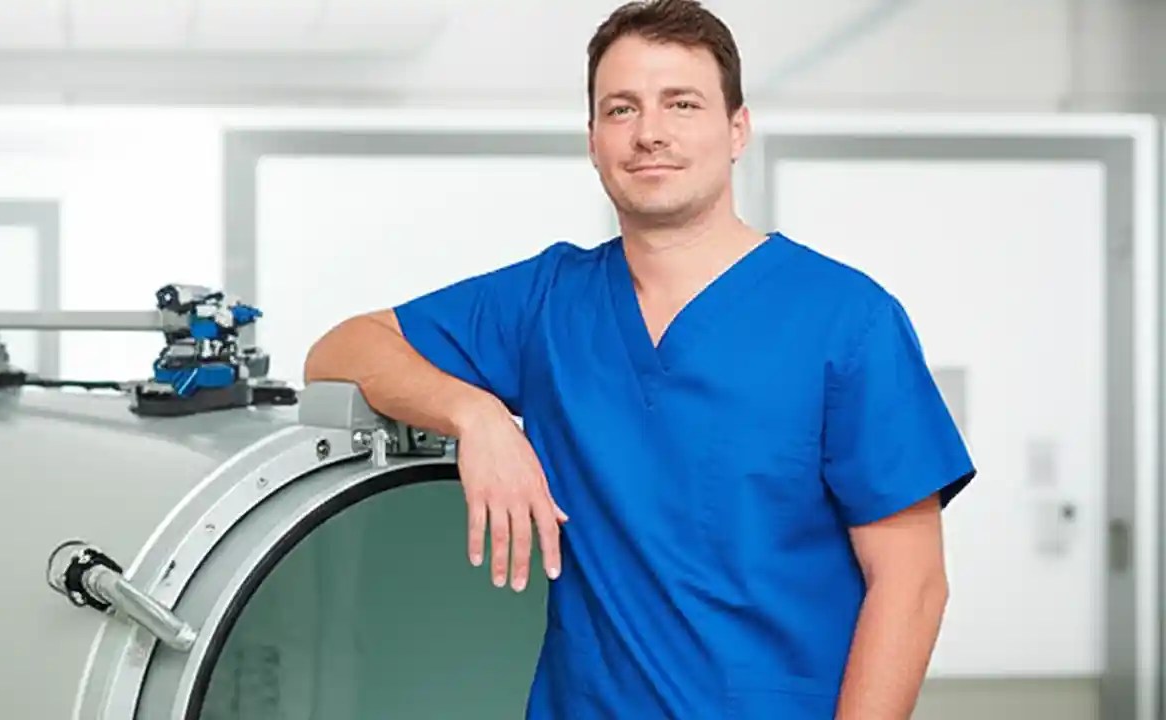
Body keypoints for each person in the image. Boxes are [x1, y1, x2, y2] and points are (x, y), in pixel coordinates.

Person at [303, 0, 976, 717]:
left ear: (736, 128)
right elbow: (341, 349)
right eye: (621, 109)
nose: (649, 133)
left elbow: (911, 584)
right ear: (593, 139)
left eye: (681, 103)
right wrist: (477, 414)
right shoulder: (546, 303)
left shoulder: (847, 319)